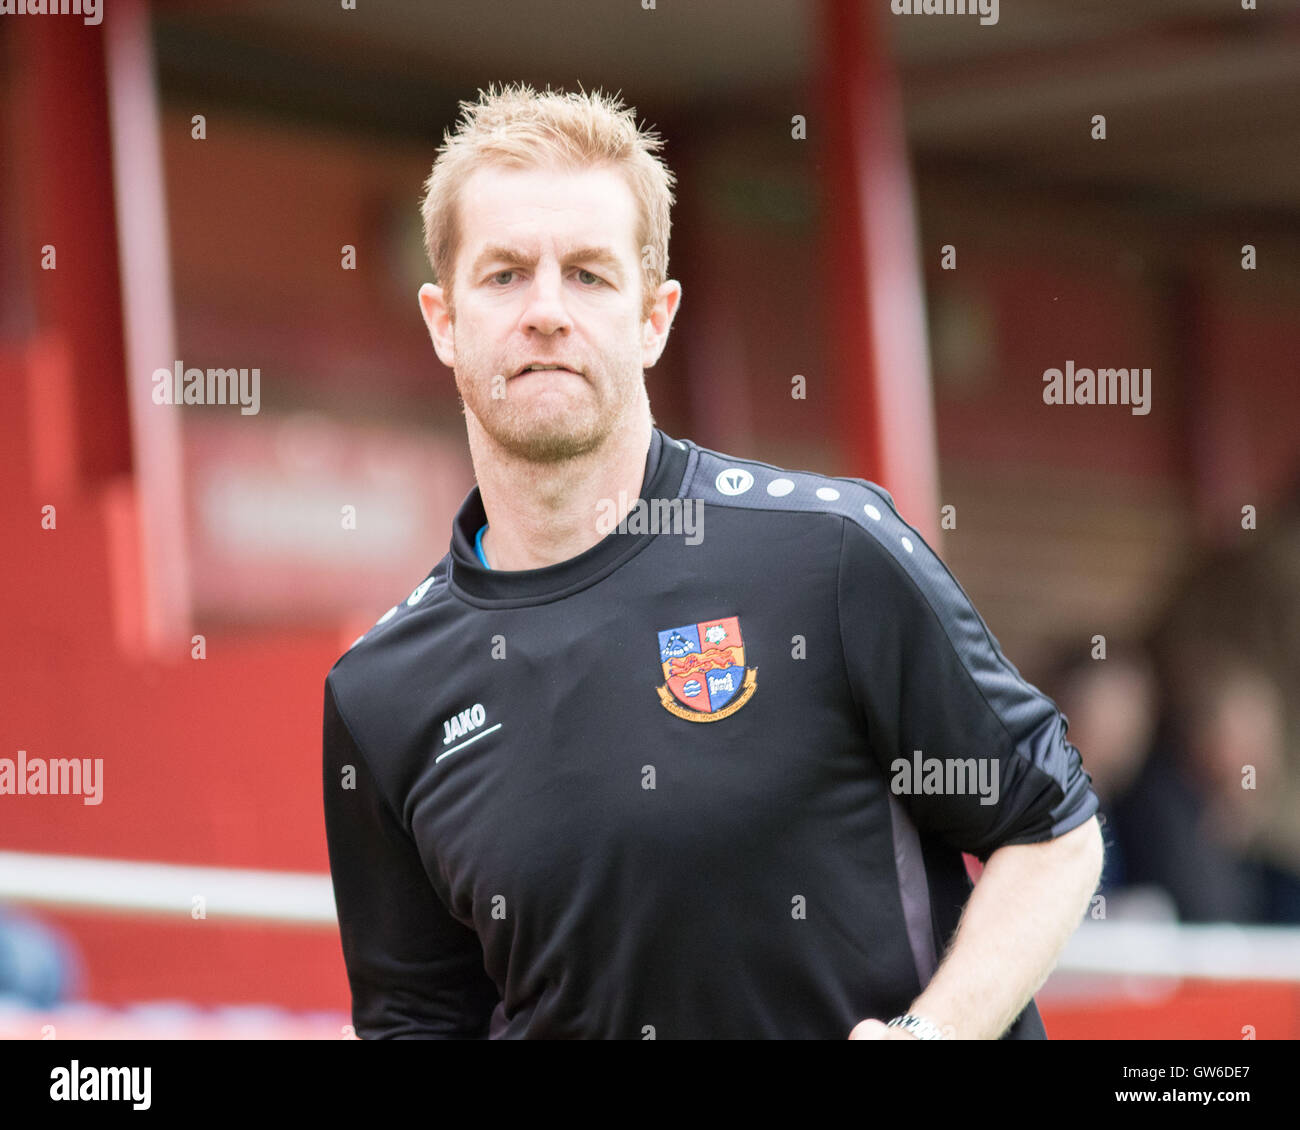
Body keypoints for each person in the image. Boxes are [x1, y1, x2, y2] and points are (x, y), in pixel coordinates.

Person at [322, 82, 1104, 1040]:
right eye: (505, 273)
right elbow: (417, 1020)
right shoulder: (381, 691)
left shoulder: (826, 554)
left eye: (591, 275)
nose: (547, 312)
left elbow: (1051, 830)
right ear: (444, 320)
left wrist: (933, 1035)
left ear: (655, 316)